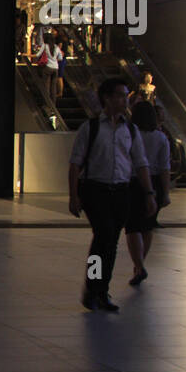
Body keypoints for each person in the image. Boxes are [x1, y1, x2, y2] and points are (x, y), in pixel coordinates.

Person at [68, 78, 157, 312]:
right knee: (103, 237)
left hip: (120, 191)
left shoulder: (131, 129)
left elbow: (141, 163)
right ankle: (94, 288)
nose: (124, 100)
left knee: (110, 242)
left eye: (125, 95)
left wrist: (149, 193)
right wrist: (74, 195)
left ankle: (100, 289)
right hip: (95, 190)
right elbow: (75, 163)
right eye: (119, 95)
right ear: (106, 98)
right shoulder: (92, 127)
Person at [125, 101, 171, 285]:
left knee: (132, 227)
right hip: (155, 183)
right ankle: (139, 264)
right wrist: (166, 193)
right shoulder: (161, 138)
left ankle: (138, 265)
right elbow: (165, 167)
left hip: (132, 182)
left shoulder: (129, 134)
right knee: (147, 226)